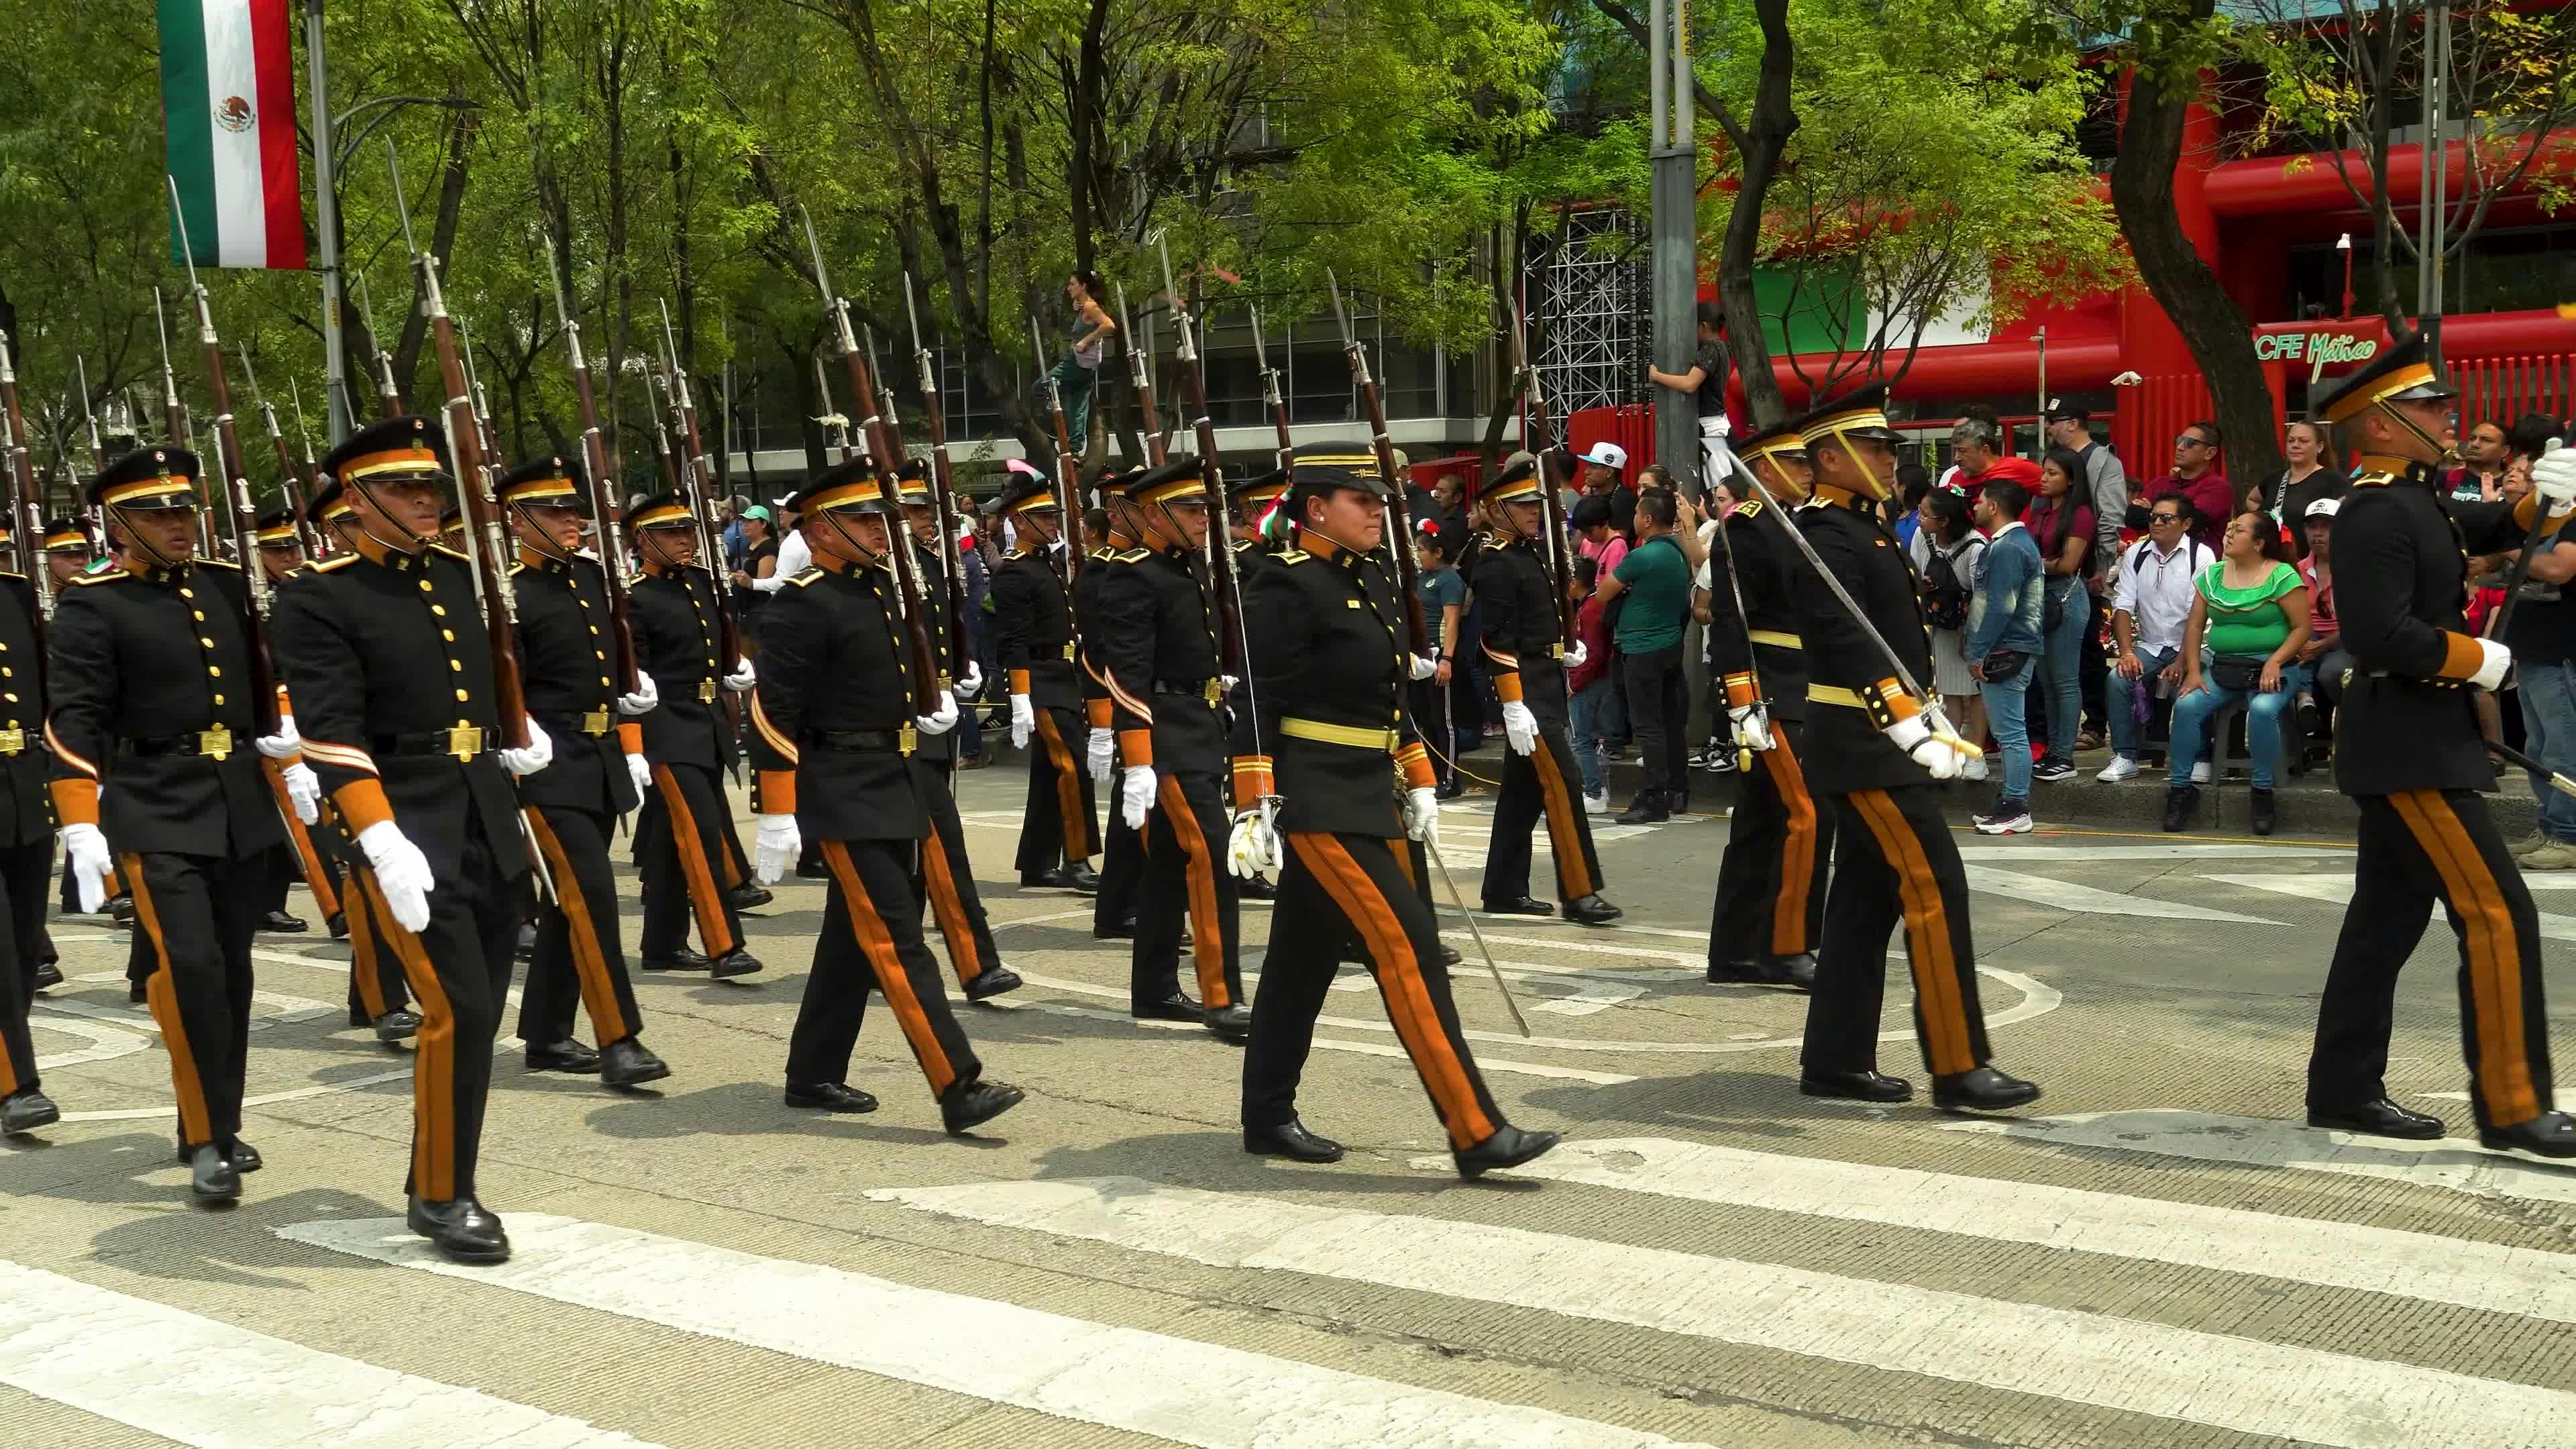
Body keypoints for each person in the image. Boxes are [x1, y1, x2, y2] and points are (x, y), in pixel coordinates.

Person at [1231, 443, 1558, 1177]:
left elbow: (1386, 698)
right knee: (1408, 946)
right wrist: (1255, 806)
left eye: (1383, 501)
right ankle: (1474, 1128)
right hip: (1316, 797)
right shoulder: (1282, 584)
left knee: (1300, 964)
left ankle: (1266, 1114)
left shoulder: (1370, 576)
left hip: (1363, 787)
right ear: (1316, 509)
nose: (1382, 511)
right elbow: (1258, 695)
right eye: (1363, 501)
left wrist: (1414, 777)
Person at [271, 416, 552, 1262]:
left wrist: (517, 726)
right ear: (355, 501)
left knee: (480, 1012)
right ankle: (441, 1194)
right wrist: (379, 834)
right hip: (405, 821)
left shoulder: (464, 578)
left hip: (485, 809)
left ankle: (439, 1173)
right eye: (403, 488)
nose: (426, 501)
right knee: (457, 1008)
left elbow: (482, 681)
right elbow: (329, 728)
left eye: (430, 486)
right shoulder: (319, 595)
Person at [2304, 339, 2576, 1159]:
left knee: (2382, 926)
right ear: (2382, 426)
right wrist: (2475, 658)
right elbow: (2375, 634)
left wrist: (2548, 505)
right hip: (2409, 744)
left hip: (2417, 738)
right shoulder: (2376, 511)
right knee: (2498, 914)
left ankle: (2343, 1090)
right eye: (2426, 408)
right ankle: (2512, 1104)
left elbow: (2489, 522)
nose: (2444, 416)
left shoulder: (2416, 498)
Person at [46, 448, 305, 1199]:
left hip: (234, 802)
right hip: (153, 802)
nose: (179, 524)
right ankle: (208, 1137)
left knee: (233, 970)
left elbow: (257, 685)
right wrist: (81, 819)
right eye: (159, 513)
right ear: (120, 524)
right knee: (191, 965)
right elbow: (76, 716)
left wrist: (288, 752)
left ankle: (217, 1117)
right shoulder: (94, 603)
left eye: (186, 510)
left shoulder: (225, 587)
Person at [746, 464, 1024, 1134]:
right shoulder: (800, 604)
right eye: (867, 521)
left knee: (853, 937)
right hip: (840, 787)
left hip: (894, 775)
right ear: (821, 530)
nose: (881, 531)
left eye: (882, 520)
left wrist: (931, 708)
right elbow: (771, 712)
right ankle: (958, 1083)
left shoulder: (878, 590)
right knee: (898, 937)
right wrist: (777, 809)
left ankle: (812, 1073)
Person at [1788, 386, 2040, 1113]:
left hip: (1887, 738)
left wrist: (1919, 721)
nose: (1886, 459)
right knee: (1935, 888)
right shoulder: (1824, 535)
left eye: (1888, 449)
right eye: (1872, 448)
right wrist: (1900, 721)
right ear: (1829, 458)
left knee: (1864, 907)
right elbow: (1840, 638)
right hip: (1865, 744)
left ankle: (1834, 1059)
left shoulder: (1867, 530)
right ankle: (1959, 1066)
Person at [500, 458, 671, 1089]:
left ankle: (545, 1033)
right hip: (546, 763)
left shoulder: (592, 578)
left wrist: (631, 695)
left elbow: (614, 656)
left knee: (569, 904)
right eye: (554, 511)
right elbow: (501, 677)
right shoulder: (507, 589)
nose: (572, 520)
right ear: (518, 521)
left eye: (574, 509)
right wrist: (516, 731)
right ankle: (617, 1037)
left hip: (596, 762)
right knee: (593, 895)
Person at [1094, 456, 1254, 1040]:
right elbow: (1127, 673)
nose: (1202, 521)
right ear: (1155, 513)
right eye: (1190, 510)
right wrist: (1138, 758)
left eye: (1205, 510)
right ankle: (1223, 995)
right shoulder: (1134, 573)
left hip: (1200, 722)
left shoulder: (1191, 569)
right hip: (1166, 734)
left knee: (1167, 864)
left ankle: (1155, 988)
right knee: (1210, 857)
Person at [1703, 420, 1830, 990]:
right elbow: (1730, 618)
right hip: (1771, 690)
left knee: (1759, 825)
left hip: (1803, 686)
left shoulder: (1802, 527)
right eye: (1798, 464)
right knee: (1806, 816)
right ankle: (1786, 946)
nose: (1809, 473)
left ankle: (1735, 952)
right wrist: (1742, 699)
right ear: (1767, 470)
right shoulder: (1746, 531)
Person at [1472, 453, 1620, 925]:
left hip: (1546, 681)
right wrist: (1513, 703)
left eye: (1538, 503)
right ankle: (1579, 892)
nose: (1536, 512)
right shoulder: (1495, 563)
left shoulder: (1529, 552)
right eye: (1524, 505)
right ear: (1497, 510)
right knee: (1564, 784)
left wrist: (1564, 646)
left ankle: (1503, 887)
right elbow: (1495, 643)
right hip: (1528, 693)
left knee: (1524, 796)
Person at [892, 465, 1020, 1001]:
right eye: (916, 511)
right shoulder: (886, 574)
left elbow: (942, 633)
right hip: (901, 730)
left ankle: (890, 956)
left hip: (935, 725)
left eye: (930, 511)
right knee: (940, 846)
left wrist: (959, 671)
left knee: (913, 857)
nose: (927, 521)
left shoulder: (928, 565)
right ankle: (976, 964)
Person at [625, 496, 763, 980]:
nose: (685, 540)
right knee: (703, 835)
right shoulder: (633, 595)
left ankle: (661, 945)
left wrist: (733, 669)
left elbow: (716, 645)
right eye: (672, 533)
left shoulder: (700, 582)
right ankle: (724, 945)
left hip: (704, 723)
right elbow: (631, 671)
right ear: (643, 540)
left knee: (667, 842)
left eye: (688, 531)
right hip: (664, 727)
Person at [2161, 511, 2311, 835]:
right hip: (2224, 668)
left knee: (2262, 709)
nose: (2229, 534)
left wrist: (2275, 661)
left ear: (2258, 542)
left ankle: (2261, 792)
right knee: (2186, 706)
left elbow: (2302, 628)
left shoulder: (2282, 575)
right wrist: (2193, 671)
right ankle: (2180, 791)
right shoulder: (2212, 575)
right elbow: (2196, 626)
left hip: (2275, 668)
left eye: (2238, 530)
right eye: (2229, 528)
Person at [993, 464, 1102, 894]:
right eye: (1043, 517)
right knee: (1072, 769)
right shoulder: (1016, 571)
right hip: (1040, 680)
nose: (1052, 522)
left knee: (1048, 774)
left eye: (1053, 516)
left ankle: (1037, 862)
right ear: (1019, 521)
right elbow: (1013, 640)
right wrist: (1020, 694)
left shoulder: (1046, 565)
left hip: (1062, 676)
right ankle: (1076, 859)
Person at [1594, 488, 1703, 822]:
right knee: (1671, 723)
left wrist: (1624, 587)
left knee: (1649, 727)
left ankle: (1654, 798)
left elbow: (1602, 593)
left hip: (1641, 649)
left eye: (1638, 513)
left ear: (1647, 519)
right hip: (1670, 644)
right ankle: (1676, 790)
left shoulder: (1641, 557)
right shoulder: (1677, 553)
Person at [2504, 417, 2576, 869]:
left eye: (2535, 475)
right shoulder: (2531, 523)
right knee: (2536, 748)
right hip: (2531, 649)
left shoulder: (2571, 521)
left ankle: (2568, 836)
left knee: (2563, 747)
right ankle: (2549, 826)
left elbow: (2559, 570)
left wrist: (2511, 549)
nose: (2529, 482)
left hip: (2560, 649)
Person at [2098, 498, 2210, 782]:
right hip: (2150, 645)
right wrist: (2126, 652)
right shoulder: (2137, 553)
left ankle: (2199, 757)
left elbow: (2196, 617)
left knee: (2192, 685)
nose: (2157, 523)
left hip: (2194, 646)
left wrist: (2183, 660)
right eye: (2153, 517)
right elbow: (2123, 605)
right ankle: (2125, 756)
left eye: (2166, 518)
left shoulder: (2201, 555)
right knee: (2117, 679)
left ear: (2186, 524)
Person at [1077, 488, 1146, 940]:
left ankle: (1125, 906)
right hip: (1132, 706)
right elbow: (1098, 656)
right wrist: (1103, 725)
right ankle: (1120, 908)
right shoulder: (1102, 574)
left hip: (1168, 706)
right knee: (1136, 816)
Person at [1964, 477, 2044, 835]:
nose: (1976, 506)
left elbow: (2000, 606)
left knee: (2010, 732)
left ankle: (2016, 807)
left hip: (2007, 648)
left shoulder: (2008, 548)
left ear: (1995, 506)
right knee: (2008, 729)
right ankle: (2011, 804)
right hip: (2012, 646)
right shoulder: (2013, 544)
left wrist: (1978, 651)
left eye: (1980, 500)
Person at [2025, 450, 2096, 784]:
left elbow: (2068, 564)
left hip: (2065, 596)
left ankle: (2064, 754)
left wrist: (2034, 564)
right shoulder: (2039, 512)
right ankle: (2053, 750)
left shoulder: (2079, 513)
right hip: (2039, 597)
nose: (2044, 478)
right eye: (2044, 472)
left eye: (2052, 473)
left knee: (2064, 679)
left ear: (2070, 478)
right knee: (2046, 678)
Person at [1911, 486, 1988, 778]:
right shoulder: (1923, 537)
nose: (1919, 518)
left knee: (1976, 692)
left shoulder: (1976, 546)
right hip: (1937, 623)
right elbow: (1914, 572)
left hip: (1969, 625)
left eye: (1925, 514)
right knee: (1948, 691)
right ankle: (1953, 751)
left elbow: (1982, 594)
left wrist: (1975, 635)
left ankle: (1976, 754)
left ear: (1944, 521)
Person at [1645, 300, 1735, 485]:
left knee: (1720, 488)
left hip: (1711, 429)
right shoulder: (1723, 347)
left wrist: (1656, 375)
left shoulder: (1711, 348)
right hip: (1715, 425)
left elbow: (1689, 384)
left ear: (1702, 326)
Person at [1414, 523, 1468, 797]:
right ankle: (1432, 775)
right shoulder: (1420, 577)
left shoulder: (1449, 580)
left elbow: (1452, 622)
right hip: (1421, 658)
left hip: (1439, 656)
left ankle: (1450, 778)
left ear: (1438, 552)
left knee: (1444, 721)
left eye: (1421, 549)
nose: (1417, 553)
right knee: (1425, 719)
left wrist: (1446, 659)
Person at [2293, 496, 2346, 751]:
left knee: (2330, 672)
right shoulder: (2298, 569)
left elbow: (2358, 621)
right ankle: (2305, 706)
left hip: (2344, 640)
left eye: (2326, 526)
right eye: (2312, 527)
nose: (2318, 533)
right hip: (2307, 638)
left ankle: (2341, 730)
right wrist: (2302, 643)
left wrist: (2322, 645)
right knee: (2290, 663)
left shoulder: (2355, 568)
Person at [1049, 270, 1116, 452]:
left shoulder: (1090, 307)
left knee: (1042, 387)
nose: (1068, 288)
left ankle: (1052, 430)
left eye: (1072, 284)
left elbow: (1109, 325)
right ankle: (1075, 445)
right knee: (1078, 406)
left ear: (1083, 286)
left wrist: (1086, 341)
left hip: (1079, 362)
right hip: (1086, 364)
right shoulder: (1084, 305)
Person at [1565, 558, 1613, 812]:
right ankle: (1599, 790)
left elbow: (1591, 654)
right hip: (1597, 680)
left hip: (1588, 682)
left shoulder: (1590, 610)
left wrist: (1574, 684)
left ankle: (1593, 792)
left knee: (1581, 739)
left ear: (1574, 582)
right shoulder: (1591, 605)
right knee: (1593, 738)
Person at [2149, 421, 2234, 547]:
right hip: (2154, 558)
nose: (2180, 447)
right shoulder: (2160, 483)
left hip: (2197, 562)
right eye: (2179, 441)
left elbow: (2193, 524)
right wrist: (2171, 518)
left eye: (2190, 443)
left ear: (2210, 453)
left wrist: (2149, 513)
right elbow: (2132, 517)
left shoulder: (2218, 487)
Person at [2271, 421, 2347, 557]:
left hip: (2311, 564)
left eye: (2303, 441)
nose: (2295, 445)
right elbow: (2253, 499)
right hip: (2273, 563)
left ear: (2320, 447)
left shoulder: (2334, 480)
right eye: (2291, 441)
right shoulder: (2274, 478)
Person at [1947, 414, 2041, 504]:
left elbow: (2053, 489)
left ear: (1985, 450)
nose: (1956, 458)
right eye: (1955, 451)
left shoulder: (2020, 468)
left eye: (1962, 451)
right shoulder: (1956, 479)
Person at [727, 504, 778, 647]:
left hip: (758, 610)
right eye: (743, 521)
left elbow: (764, 582)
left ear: (763, 524)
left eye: (750, 521)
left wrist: (746, 581)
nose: (745, 525)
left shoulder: (768, 548)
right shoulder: (748, 546)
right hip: (743, 608)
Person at [1575, 442, 1638, 543]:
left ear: (1609, 472)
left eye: (1593, 467)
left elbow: (1615, 543)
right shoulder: (1592, 496)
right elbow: (1575, 544)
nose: (1586, 471)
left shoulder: (1625, 500)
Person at [2446, 419, 2510, 502]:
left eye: (2486, 440)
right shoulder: (2448, 478)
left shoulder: (2512, 483)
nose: (2474, 444)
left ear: (2505, 451)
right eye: (2472, 438)